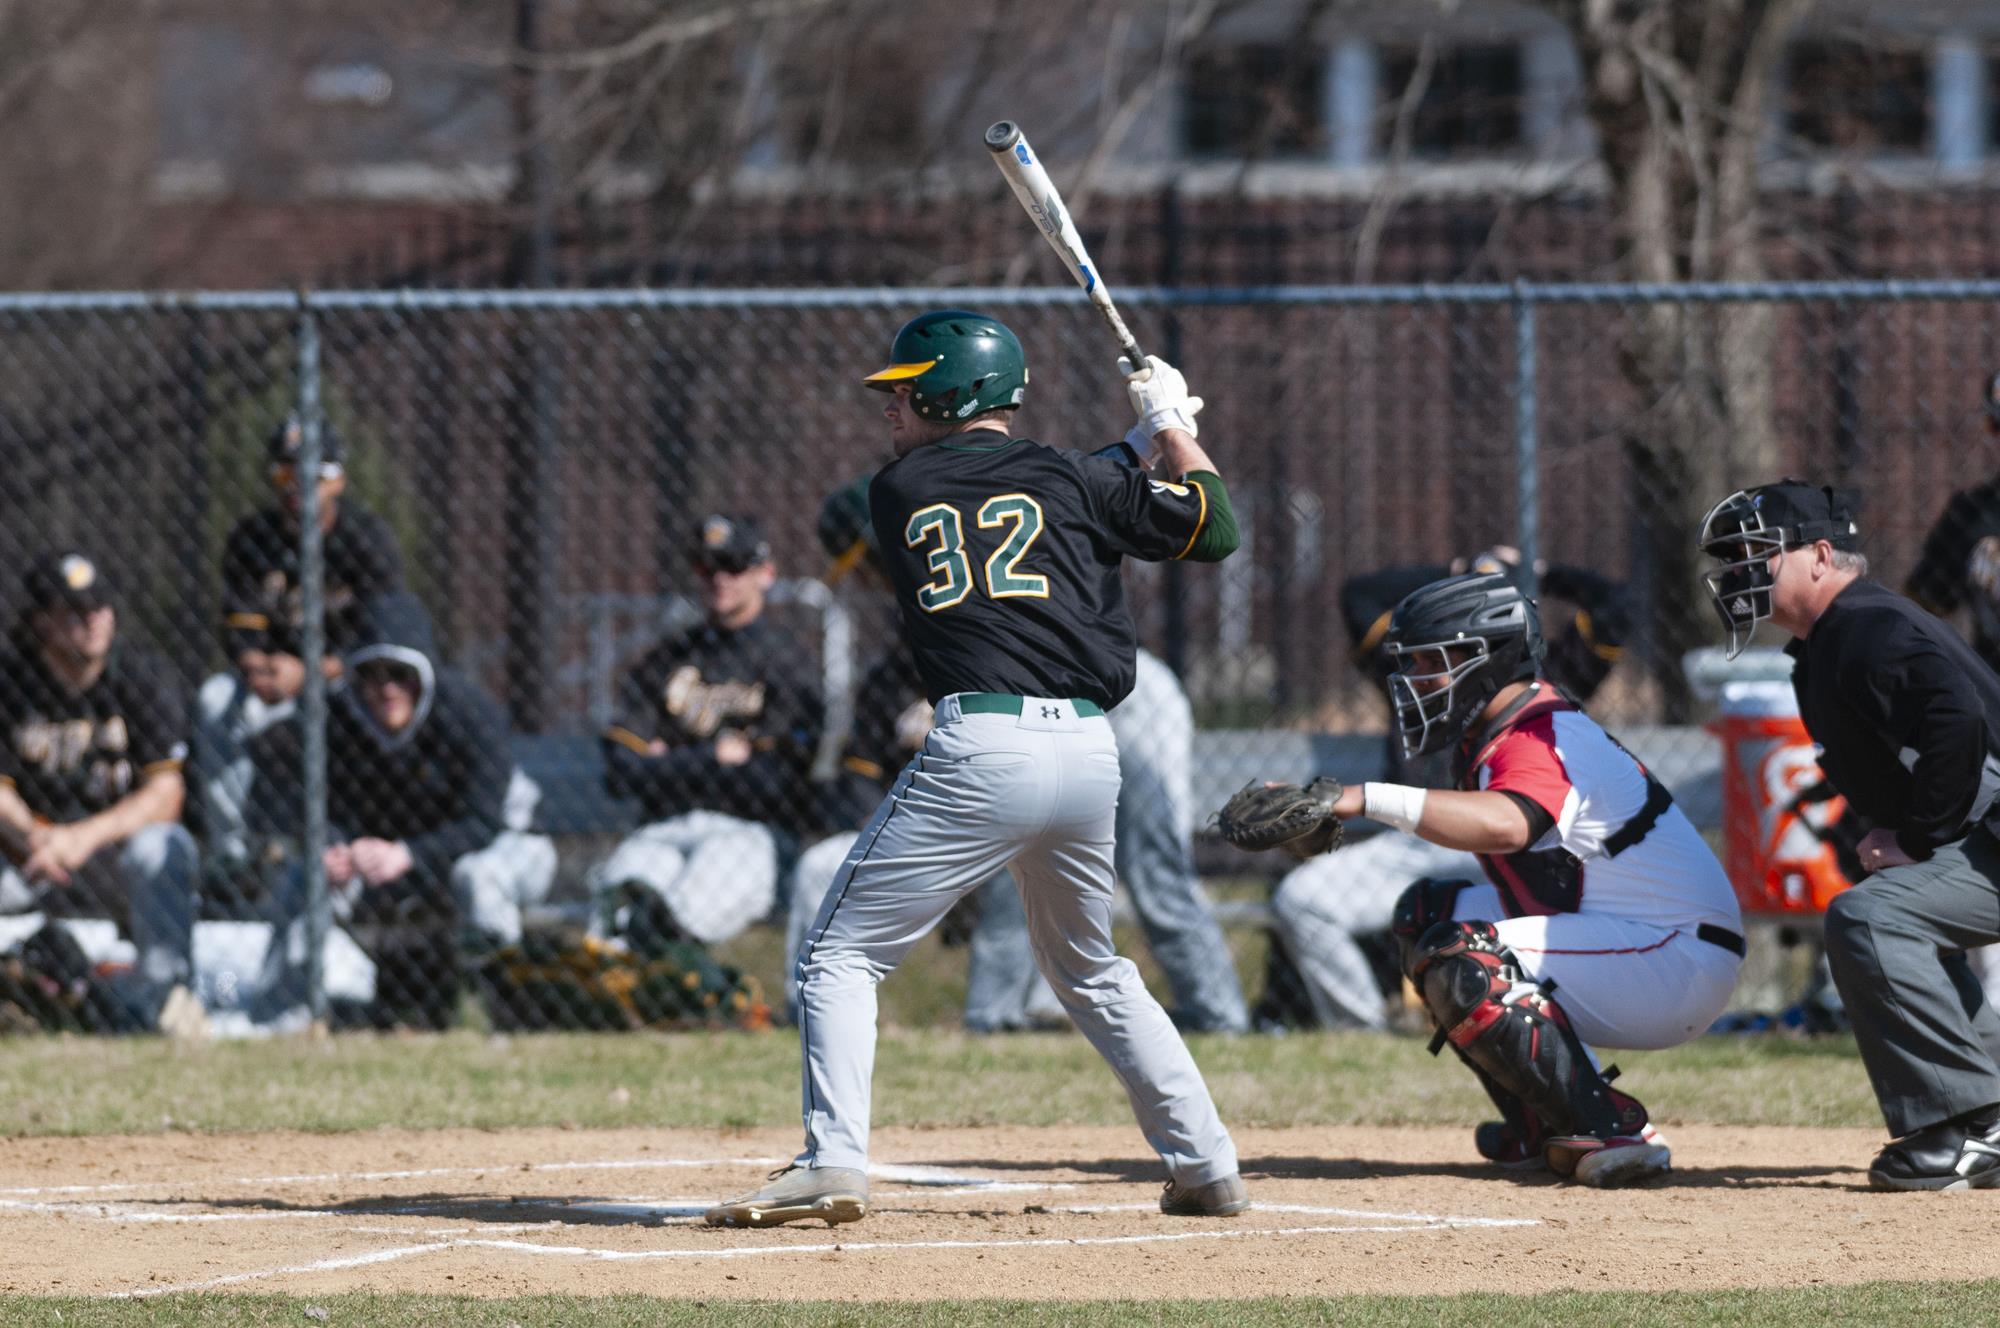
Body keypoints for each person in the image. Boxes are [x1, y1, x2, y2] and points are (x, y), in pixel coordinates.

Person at [708, 309, 1247, 1228]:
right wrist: (1167, 429)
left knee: (839, 955)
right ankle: (1207, 1164)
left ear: (954, 395)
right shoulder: (1071, 479)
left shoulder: (898, 488)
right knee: (1092, 970)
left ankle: (832, 1160)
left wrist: (1141, 438)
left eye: (908, 390)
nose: (892, 406)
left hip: (984, 745)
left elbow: (1039, 485)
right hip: (1089, 752)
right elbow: (1215, 526)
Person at [1321, 570, 1742, 1187]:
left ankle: (1610, 1128)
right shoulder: (1501, 730)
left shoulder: (1542, 732)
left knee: (1464, 958)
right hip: (1628, 936)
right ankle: (1546, 1123)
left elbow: (1508, 824)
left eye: (1433, 662)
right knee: (1427, 913)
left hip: (1674, 957)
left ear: (1489, 659)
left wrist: (1366, 798)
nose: (1416, 679)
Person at [1701, 479, 2000, 1190]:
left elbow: (1958, 722)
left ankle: (1971, 1124)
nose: (1740, 573)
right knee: (1897, 913)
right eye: (1732, 560)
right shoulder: (1836, 637)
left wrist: (1918, 838)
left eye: (1755, 554)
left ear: (1819, 556)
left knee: (1869, 919)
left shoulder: (1868, 627)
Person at [1269, 549, 1632, 1030]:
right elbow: (1359, 598)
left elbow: (1617, 605)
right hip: (1414, 843)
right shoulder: (1425, 671)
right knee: (1302, 899)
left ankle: (1521, 1020)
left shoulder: (1549, 676)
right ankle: (1364, 1030)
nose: (1418, 670)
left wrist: (1541, 573)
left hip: (1518, 851)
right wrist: (1460, 576)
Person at [786, 479, 1051, 1031]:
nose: (871, 584)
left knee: (1029, 849)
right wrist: (888, 826)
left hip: (1006, 813)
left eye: (869, 566)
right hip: (921, 835)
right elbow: (860, 776)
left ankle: (1013, 1013)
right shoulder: (887, 681)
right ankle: (809, 1011)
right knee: (818, 866)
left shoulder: (999, 655)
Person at [250, 591, 554, 1029]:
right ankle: (283, 1016)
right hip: (399, 858)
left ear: (423, 676)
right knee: (306, 876)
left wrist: (406, 853)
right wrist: (333, 847)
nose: (388, 689)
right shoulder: (338, 720)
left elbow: (484, 823)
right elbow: (313, 801)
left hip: (507, 847)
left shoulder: (467, 712)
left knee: (477, 877)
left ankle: (498, 1011)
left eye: (400, 674)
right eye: (372, 675)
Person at [592, 515, 823, 949]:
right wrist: (715, 757)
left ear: (765, 574)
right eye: (706, 567)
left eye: (733, 566)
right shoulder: (665, 659)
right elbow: (620, 773)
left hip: (748, 833)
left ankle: (675, 972)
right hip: (661, 829)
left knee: (680, 917)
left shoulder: (789, 662)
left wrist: (667, 761)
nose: (719, 579)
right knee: (613, 913)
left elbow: (774, 780)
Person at [194, 416, 403, 881]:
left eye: (315, 473)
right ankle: (233, 853)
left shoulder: (367, 539)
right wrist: (256, 667)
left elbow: (382, 640)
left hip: (345, 680)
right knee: (213, 702)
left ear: (339, 480)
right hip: (268, 678)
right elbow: (241, 626)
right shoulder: (253, 538)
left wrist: (310, 673)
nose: (299, 485)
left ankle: (344, 848)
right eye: (287, 471)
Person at [0, 552, 198, 1028]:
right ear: (42, 622)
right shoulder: (10, 682)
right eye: (74, 610)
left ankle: (163, 1002)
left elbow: (166, 794)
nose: (93, 620)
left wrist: (80, 839)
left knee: (163, 846)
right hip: (30, 859)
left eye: (100, 606)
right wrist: (38, 837)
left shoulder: (141, 674)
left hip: (114, 856)